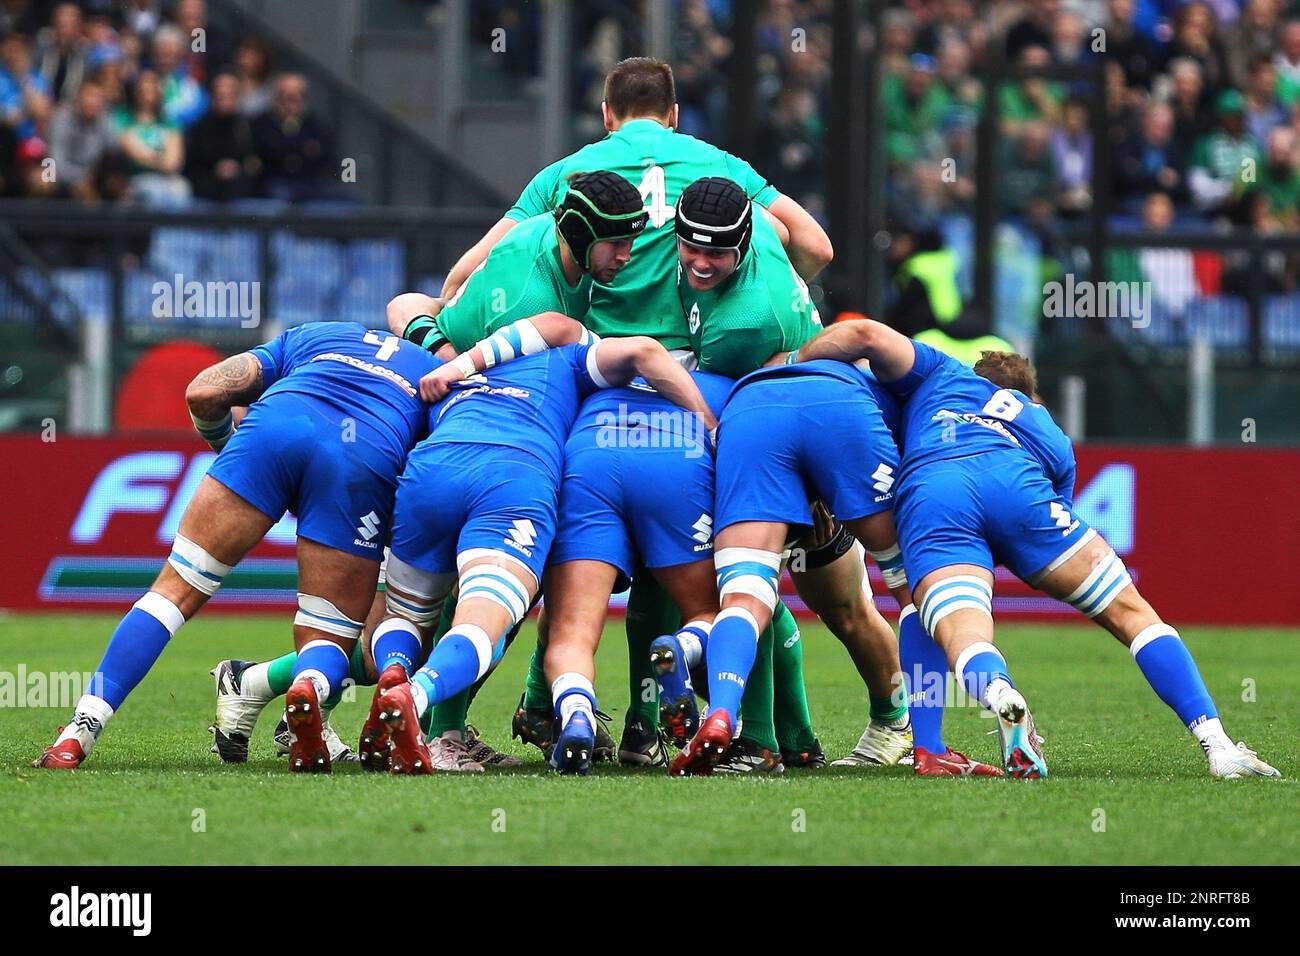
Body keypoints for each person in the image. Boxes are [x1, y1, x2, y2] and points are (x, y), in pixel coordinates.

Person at [434, 57, 835, 767]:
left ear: (607, 114)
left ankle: (479, 715)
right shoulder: (716, 165)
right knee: (715, 566)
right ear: (674, 114)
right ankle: (711, 734)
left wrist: (447, 321)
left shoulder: (572, 172)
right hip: (697, 379)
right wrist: (766, 292)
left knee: (545, 552)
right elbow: (816, 244)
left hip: (590, 378)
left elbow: (471, 268)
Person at [794, 318, 1281, 780]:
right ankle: (1217, 745)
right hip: (1021, 491)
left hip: (937, 494)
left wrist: (797, 360)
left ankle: (987, 702)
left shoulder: (939, 375)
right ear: (1030, 395)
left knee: (947, 623)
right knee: (1134, 616)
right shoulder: (1046, 428)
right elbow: (1045, 514)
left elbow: (863, 335)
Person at [35, 322, 440, 771]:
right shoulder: (440, 371)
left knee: (172, 593)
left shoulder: (317, 335)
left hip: (271, 433)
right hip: (362, 460)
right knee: (332, 638)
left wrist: (233, 456)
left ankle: (80, 729)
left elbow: (203, 393)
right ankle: (308, 705)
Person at [368, 319, 715, 775]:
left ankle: (392, 677)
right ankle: (415, 697)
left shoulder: (443, 370)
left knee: (407, 619)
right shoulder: (566, 356)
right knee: (485, 621)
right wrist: (705, 421)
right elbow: (641, 350)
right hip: (512, 478)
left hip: (428, 473)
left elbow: (406, 312)